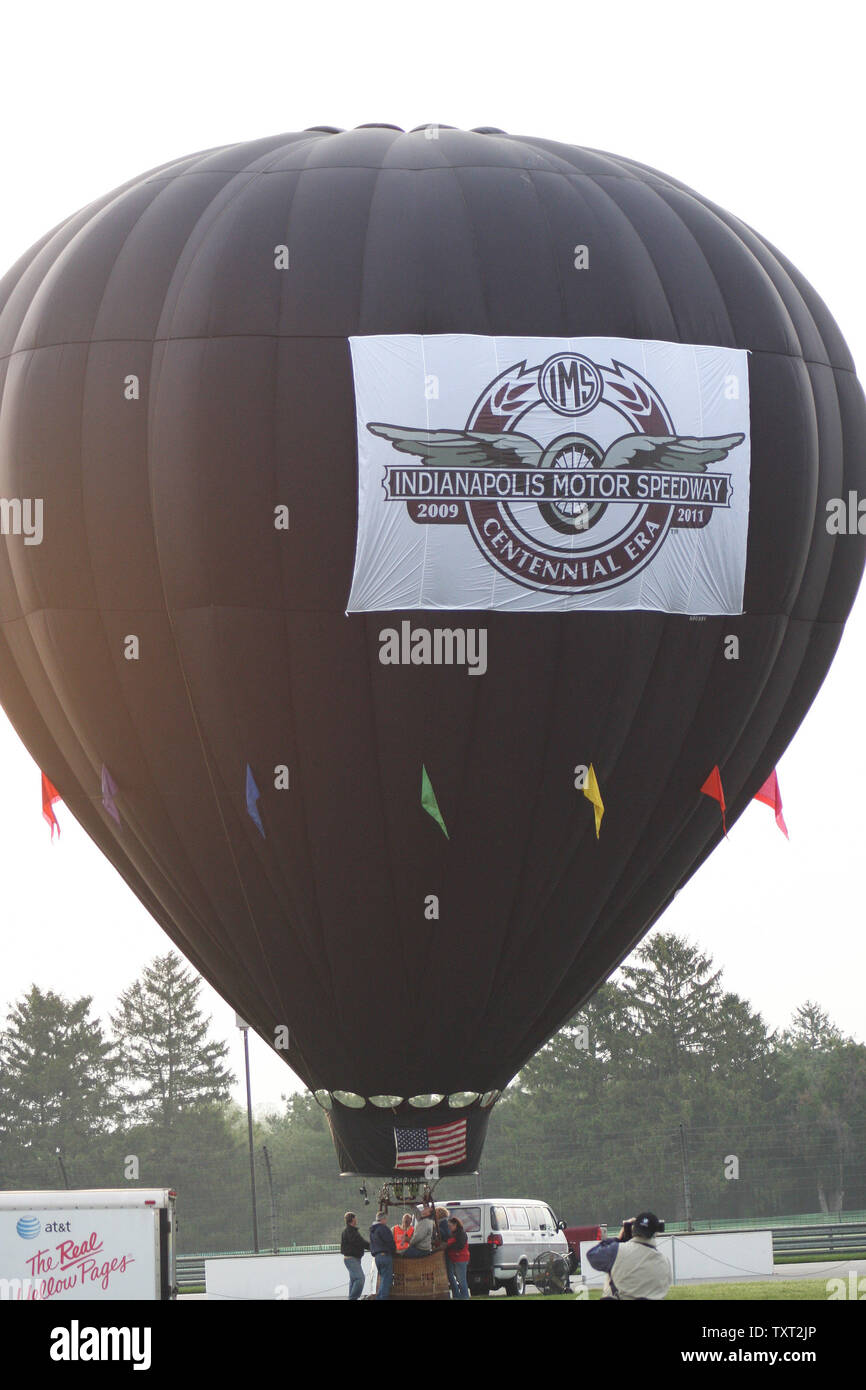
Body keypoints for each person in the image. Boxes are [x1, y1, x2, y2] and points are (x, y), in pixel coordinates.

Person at [585, 1212, 671, 1300]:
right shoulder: (665, 1261)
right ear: (656, 1233)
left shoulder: (617, 1250)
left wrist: (618, 1239)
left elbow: (592, 1255)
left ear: (633, 1230)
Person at [340, 1212, 369, 1300]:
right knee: (360, 1279)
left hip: (352, 1259)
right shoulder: (351, 1231)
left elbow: (359, 1242)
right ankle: (352, 1298)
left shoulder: (349, 1231)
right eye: (355, 1218)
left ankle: (352, 1297)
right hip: (351, 1259)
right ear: (352, 1219)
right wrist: (373, 1247)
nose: (356, 1219)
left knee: (353, 1280)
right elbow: (360, 1242)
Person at [370, 1210, 397, 1298]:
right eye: (386, 1219)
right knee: (387, 1280)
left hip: (377, 1257)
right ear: (383, 1219)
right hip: (385, 1256)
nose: (386, 1221)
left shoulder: (372, 1230)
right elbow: (390, 1242)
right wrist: (394, 1252)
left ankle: (379, 1297)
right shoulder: (383, 1228)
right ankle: (382, 1298)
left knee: (383, 1279)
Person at [445, 1216, 471, 1299]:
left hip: (461, 1258)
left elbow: (460, 1245)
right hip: (453, 1258)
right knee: (451, 1276)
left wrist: (448, 1246)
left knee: (461, 1279)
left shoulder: (461, 1233)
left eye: (450, 1226)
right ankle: (457, 1295)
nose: (449, 1228)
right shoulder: (453, 1233)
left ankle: (465, 1296)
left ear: (455, 1224)